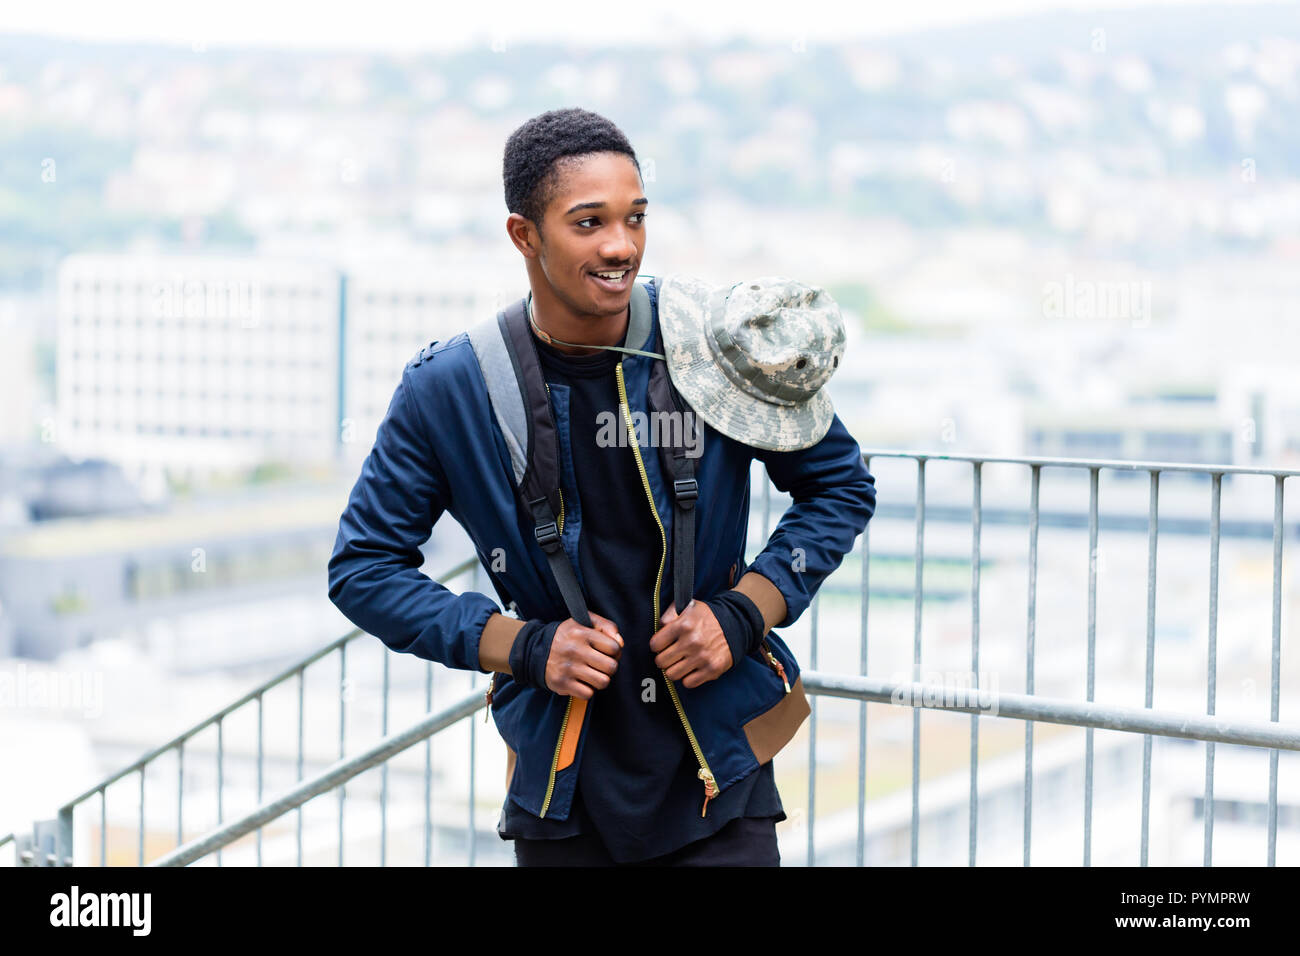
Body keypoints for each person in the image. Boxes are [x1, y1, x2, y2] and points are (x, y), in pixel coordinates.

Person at [327, 107, 876, 867]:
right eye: (589, 223)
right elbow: (363, 570)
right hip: (564, 790)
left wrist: (744, 613)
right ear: (525, 235)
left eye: (635, 218)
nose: (621, 246)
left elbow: (840, 488)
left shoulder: (715, 343)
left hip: (722, 776)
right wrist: (520, 646)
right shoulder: (448, 389)